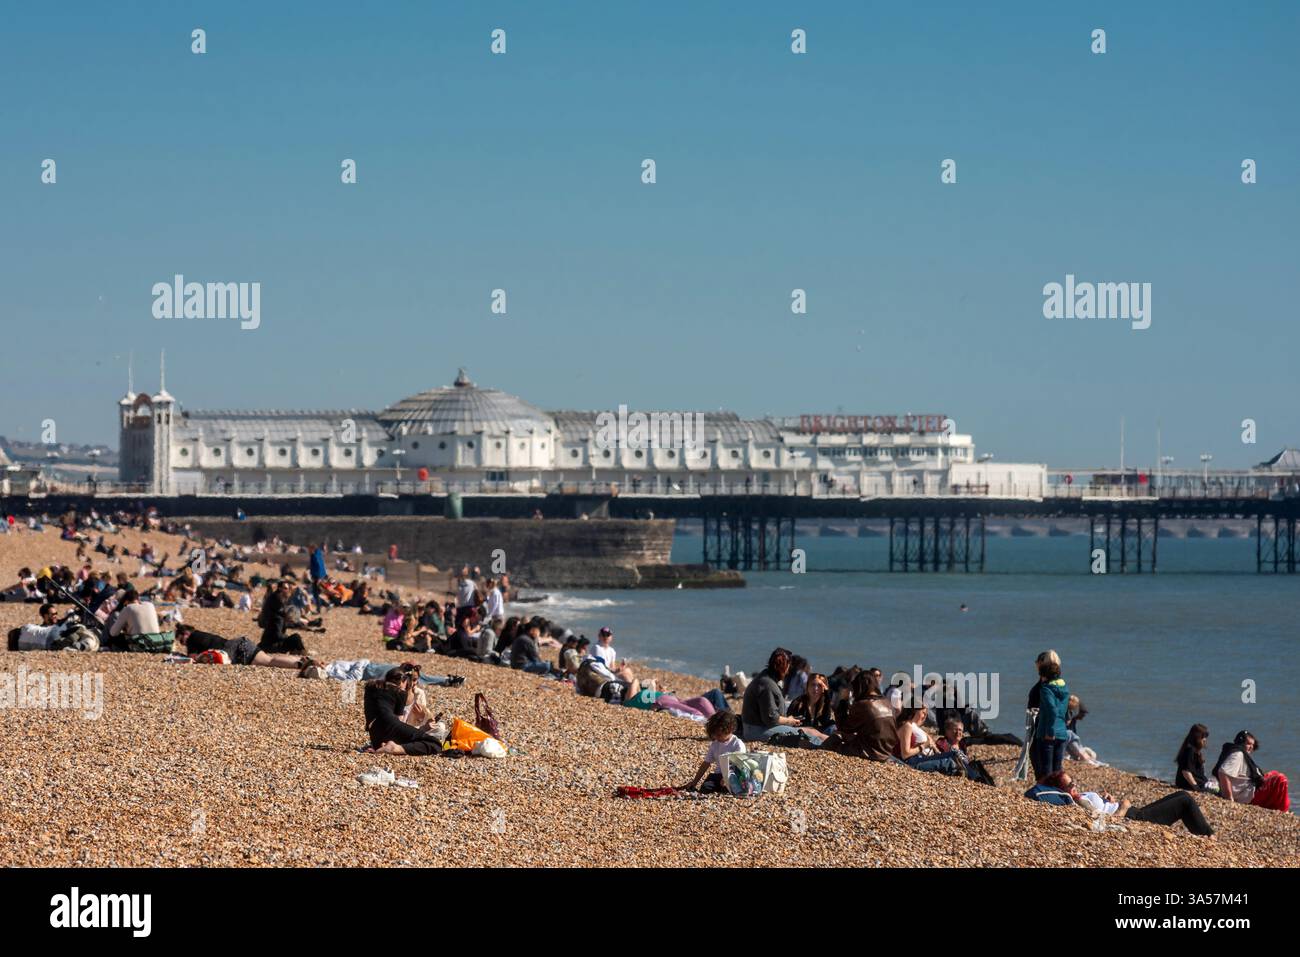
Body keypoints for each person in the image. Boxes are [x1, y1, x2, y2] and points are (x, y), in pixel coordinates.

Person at [1031, 771, 1214, 838]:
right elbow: (1104, 822)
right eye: (1070, 785)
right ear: (1062, 790)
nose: (1075, 785)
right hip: (1133, 817)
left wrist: (1107, 801)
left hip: (1134, 813)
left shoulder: (1079, 796)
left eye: (1074, 782)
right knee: (1185, 801)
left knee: (1182, 794)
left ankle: (1206, 834)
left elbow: (1101, 810)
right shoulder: (1078, 801)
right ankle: (1209, 836)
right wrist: (1123, 807)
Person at [363, 666, 449, 756]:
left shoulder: (370, 687)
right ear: (402, 681)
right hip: (390, 725)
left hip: (374, 733)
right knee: (435, 744)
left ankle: (386, 746)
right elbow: (398, 721)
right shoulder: (400, 692)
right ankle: (396, 748)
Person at [823, 670, 899, 761]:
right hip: (886, 752)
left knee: (835, 738)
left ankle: (816, 750)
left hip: (870, 753)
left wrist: (843, 700)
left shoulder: (864, 705)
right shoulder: (887, 703)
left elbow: (843, 727)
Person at [174, 623, 315, 670]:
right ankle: (300, 661)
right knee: (270, 660)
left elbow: (192, 659)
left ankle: (300, 664)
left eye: (181, 640)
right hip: (241, 643)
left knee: (269, 662)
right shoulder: (199, 634)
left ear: (186, 633)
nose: (183, 644)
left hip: (234, 650)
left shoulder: (192, 639)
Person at [1213, 731, 1290, 812]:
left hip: (1246, 789)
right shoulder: (1237, 754)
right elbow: (1223, 773)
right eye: (1248, 744)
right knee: (1281, 779)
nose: (1251, 747)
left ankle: (1274, 806)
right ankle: (1283, 810)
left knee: (1273, 773)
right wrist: (1229, 798)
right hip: (1247, 796)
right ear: (1241, 742)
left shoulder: (1234, 751)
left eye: (1252, 745)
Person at [740, 648, 804, 741]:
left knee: (810, 731)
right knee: (806, 735)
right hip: (757, 730)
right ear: (785, 667)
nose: (789, 670)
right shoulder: (767, 685)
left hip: (753, 727)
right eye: (788, 666)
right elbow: (771, 719)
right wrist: (789, 721)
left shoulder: (765, 677)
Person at [681, 712, 746, 792]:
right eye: (714, 734)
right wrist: (694, 782)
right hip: (718, 775)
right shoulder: (715, 744)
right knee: (705, 788)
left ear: (730, 730)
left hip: (734, 774)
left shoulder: (737, 744)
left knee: (733, 786)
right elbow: (706, 763)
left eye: (719, 735)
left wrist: (728, 777)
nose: (716, 737)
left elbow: (740, 765)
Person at [1030, 650, 1069, 783]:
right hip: (1061, 731)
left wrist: (1050, 731)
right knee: (1056, 769)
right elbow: (1063, 709)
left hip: (1045, 730)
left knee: (1044, 767)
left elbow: (1052, 709)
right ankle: (1055, 792)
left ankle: (1044, 793)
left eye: (1037, 662)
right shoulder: (1063, 687)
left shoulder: (1045, 688)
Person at [1175, 724, 1216, 793]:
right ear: (1197, 737)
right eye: (1203, 737)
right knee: (1219, 790)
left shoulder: (1193, 750)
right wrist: (1196, 787)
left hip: (1197, 782)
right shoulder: (1190, 750)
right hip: (1188, 784)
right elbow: (1186, 771)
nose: (1205, 740)